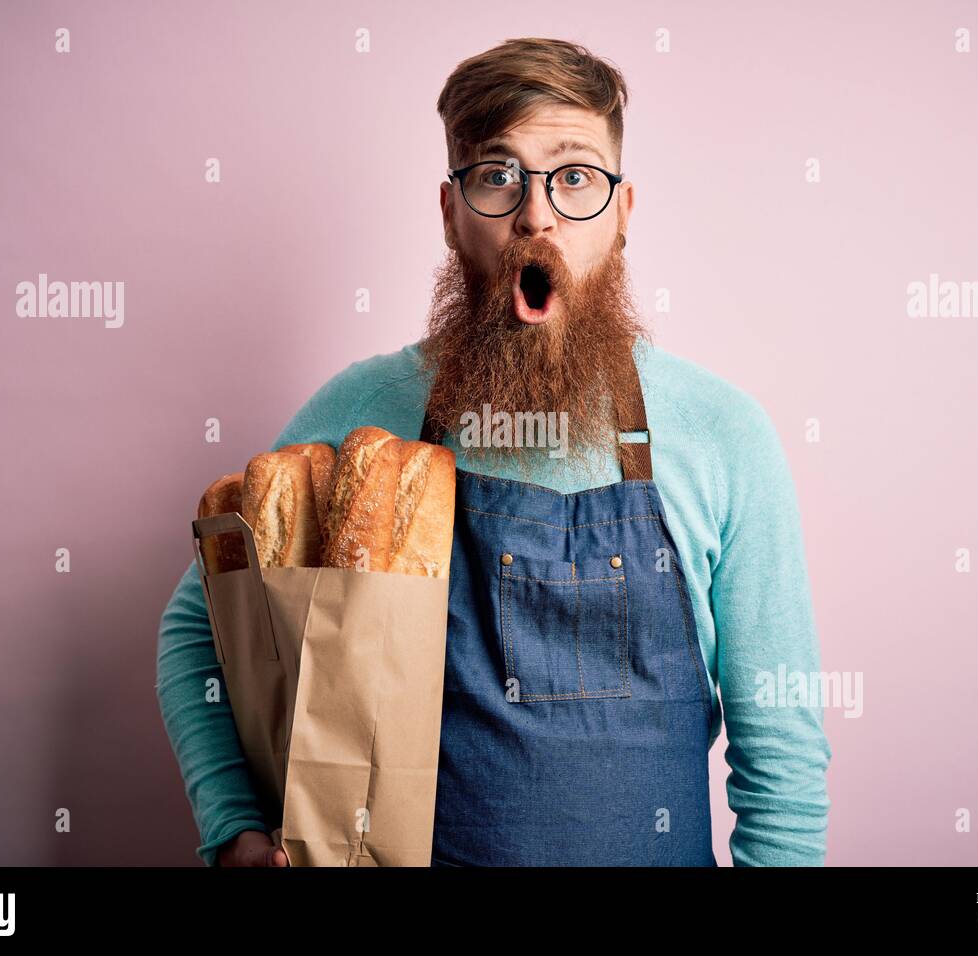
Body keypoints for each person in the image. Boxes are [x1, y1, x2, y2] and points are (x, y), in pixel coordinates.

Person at [157, 36, 831, 867]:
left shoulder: (723, 433)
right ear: (450, 214)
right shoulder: (366, 411)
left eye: (575, 175)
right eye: (497, 174)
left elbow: (784, 755)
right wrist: (233, 829)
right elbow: (199, 628)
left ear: (622, 215)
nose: (536, 215)